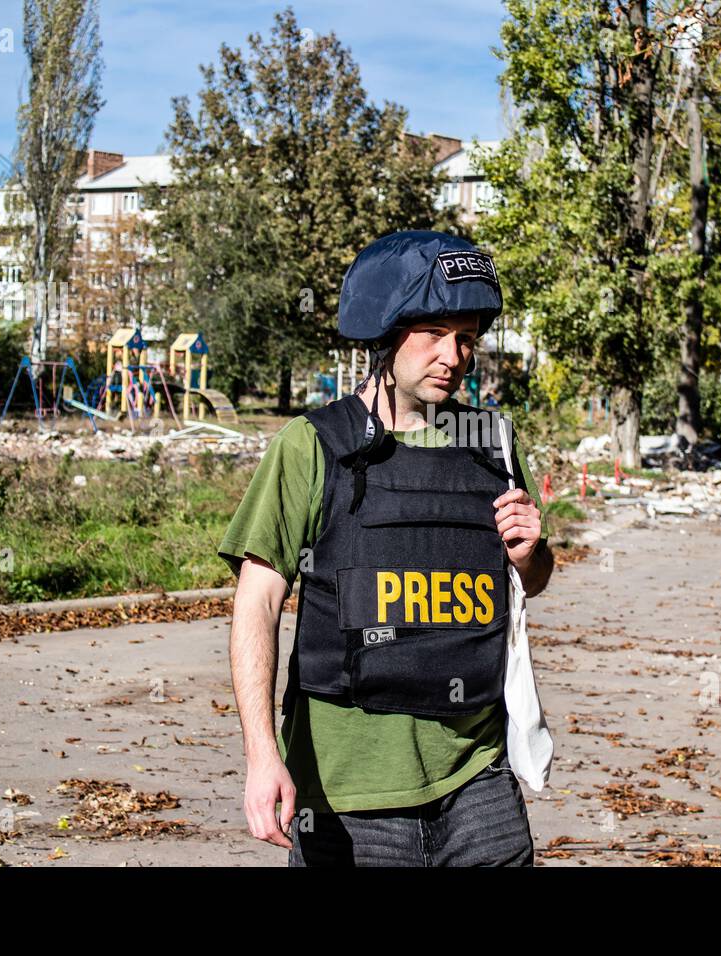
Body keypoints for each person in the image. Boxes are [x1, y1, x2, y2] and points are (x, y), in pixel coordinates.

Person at [218, 230, 555, 866]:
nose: (453, 355)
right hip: (350, 797)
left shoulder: (492, 445)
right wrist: (262, 755)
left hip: (478, 782)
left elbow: (531, 579)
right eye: (432, 332)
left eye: (467, 337)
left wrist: (528, 555)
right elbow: (257, 601)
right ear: (384, 333)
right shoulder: (311, 445)